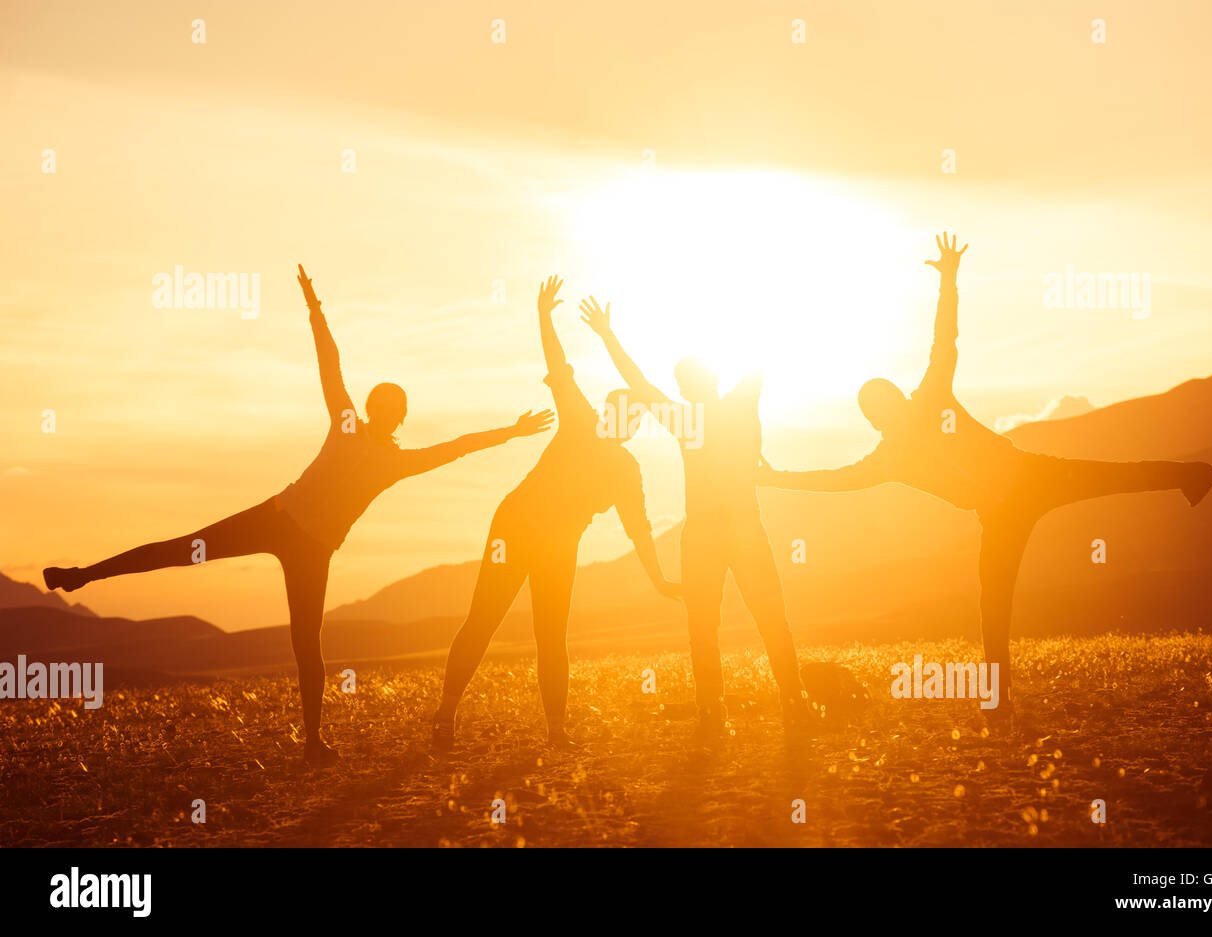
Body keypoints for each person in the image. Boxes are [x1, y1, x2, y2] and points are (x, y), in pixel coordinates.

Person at [43, 265, 553, 766]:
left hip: (312, 551)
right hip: (276, 517)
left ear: (398, 417)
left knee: (307, 644)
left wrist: (510, 431)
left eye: (395, 407)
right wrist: (315, 309)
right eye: (384, 403)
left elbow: (457, 447)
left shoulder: (397, 462)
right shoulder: (348, 423)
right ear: (374, 408)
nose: (387, 410)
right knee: (183, 549)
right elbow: (329, 365)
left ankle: (313, 742)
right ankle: (81, 576)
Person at [760, 233, 1212, 722]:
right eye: (878, 412)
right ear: (875, 419)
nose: (886, 415)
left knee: (1125, 476)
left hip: (1035, 475)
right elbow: (836, 479)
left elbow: (945, 341)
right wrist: (774, 476)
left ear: (893, 401)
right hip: (1001, 514)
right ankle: (998, 698)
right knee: (994, 600)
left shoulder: (930, 398)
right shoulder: (890, 457)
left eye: (885, 405)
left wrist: (949, 280)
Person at [432, 276, 680, 750]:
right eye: (624, 415)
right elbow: (559, 367)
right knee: (483, 621)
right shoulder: (582, 422)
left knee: (552, 634)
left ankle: (556, 731)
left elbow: (639, 531)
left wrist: (660, 580)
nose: (627, 424)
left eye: (634, 419)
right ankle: (445, 715)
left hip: (558, 545)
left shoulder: (626, 469)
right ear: (610, 415)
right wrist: (543, 315)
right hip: (515, 527)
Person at [580, 295, 811, 744]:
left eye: (689, 380)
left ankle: (786, 702)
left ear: (702, 382)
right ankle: (723, 711)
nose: (687, 387)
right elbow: (641, 384)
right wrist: (608, 336)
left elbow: (643, 384)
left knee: (758, 619)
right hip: (718, 529)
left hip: (733, 527)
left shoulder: (708, 412)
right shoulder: (706, 413)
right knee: (716, 625)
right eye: (684, 382)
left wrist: (608, 335)